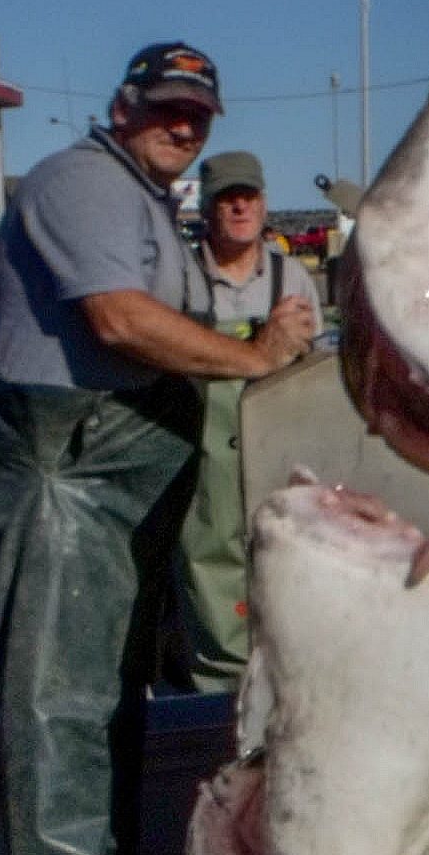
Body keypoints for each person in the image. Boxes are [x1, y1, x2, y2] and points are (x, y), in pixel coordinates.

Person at [0, 42, 316, 855]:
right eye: (168, 107)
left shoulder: (143, 200)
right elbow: (121, 322)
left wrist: (254, 342)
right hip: (70, 463)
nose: (185, 125)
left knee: (115, 686)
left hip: (128, 461)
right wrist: (253, 360)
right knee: (56, 691)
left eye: (199, 114)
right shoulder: (80, 183)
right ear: (124, 104)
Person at [177, 150, 321, 692]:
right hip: (205, 462)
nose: (239, 207)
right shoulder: (180, 279)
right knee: (210, 584)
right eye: (226, 198)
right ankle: (218, 711)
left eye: (249, 196)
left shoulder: (293, 278)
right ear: (206, 209)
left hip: (280, 454)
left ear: (264, 205)